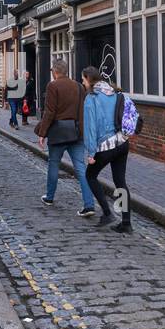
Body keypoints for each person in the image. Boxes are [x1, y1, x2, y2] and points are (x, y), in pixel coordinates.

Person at [36, 60, 96, 217]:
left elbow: (49, 112)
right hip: (76, 132)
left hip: (58, 132)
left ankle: (49, 197)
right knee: (81, 168)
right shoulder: (79, 86)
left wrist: (42, 133)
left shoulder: (52, 86)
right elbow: (83, 110)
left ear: (54, 72)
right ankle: (89, 204)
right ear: (66, 71)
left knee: (54, 164)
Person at [81, 66, 132, 232]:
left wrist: (90, 153)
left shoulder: (91, 98)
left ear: (88, 79)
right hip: (122, 143)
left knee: (90, 175)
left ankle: (107, 213)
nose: (82, 83)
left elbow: (91, 128)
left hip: (106, 145)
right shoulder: (115, 92)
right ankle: (126, 223)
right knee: (120, 181)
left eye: (83, 80)